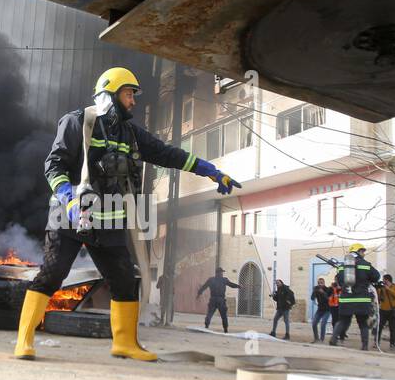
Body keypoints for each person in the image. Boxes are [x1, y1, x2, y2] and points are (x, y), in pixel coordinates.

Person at [14, 67, 241, 360]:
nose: (133, 101)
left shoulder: (130, 133)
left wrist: (210, 171)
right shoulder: (78, 122)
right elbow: (54, 165)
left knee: (123, 280)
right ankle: (24, 340)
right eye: (128, 94)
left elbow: (167, 153)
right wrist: (69, 200)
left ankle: (124, 343)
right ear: (110, 94)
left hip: (108, 221)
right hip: (69, 216)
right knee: (52, 274)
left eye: (133, 94)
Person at [329, 244, 379, 350]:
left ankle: (333, 340)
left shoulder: (342, 266)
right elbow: (376, 276)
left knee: (342, 321)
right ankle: (364, 346)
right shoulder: (366, 264)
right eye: (362, 251)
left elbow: (339, 280)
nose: (363, 254)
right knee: (363, 323)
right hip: (362, 299)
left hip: (346, 299)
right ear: (357, 252)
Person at [197, 267, 239, 333]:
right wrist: (239, 286)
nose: (222, 273)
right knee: (223, 315)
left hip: (213, 299)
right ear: (218, 273)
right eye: (221, 272)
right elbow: (231, 285)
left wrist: (199, 293)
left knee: (210, 313)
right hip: (221, 300)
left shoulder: (211, 280)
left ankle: (206, 326)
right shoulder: (224, 280)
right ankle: (225, 329)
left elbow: (204, 287)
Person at [376, 274, 395, 346]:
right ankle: (377, 342)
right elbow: (378, 297)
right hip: (383, 310)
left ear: (387, 280)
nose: (383, 281)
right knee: (379, 327)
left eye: (384, 280)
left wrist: (389, 289)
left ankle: (392, 343)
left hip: (392, 310)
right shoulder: (382, 288)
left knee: (392, 328)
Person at [310, 276, 332, 342]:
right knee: (314, 323)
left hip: (327, 309)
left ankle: (322, 339)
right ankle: (316, 338)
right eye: (319, 283)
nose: (320, 284)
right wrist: (314, 291)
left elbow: (328, 299)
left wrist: (323, 293)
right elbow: (312, 298)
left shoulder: (328, 289)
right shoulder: (317, 289)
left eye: (322, 283)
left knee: (323, 324)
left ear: (324, 283)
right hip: (320, 309)